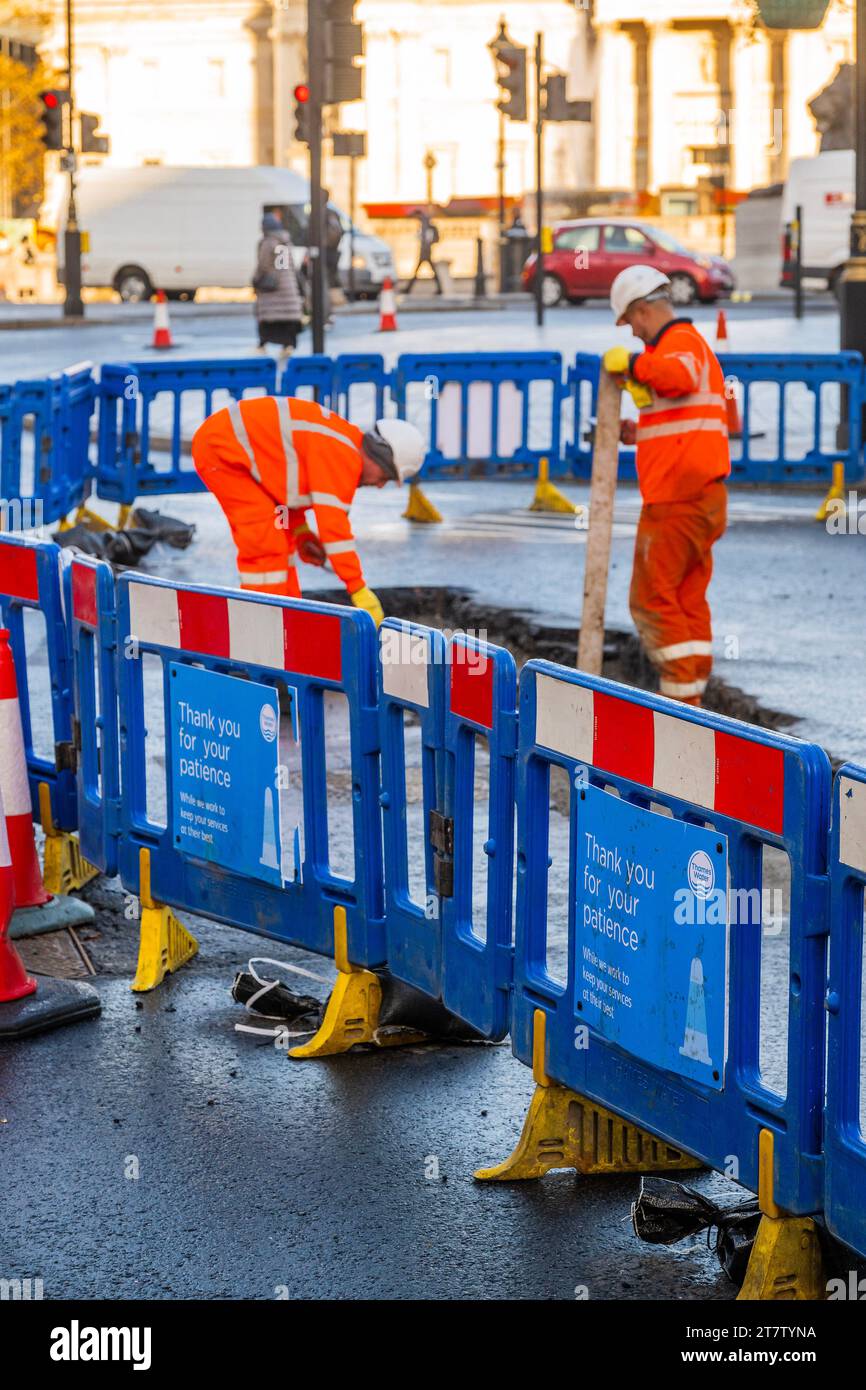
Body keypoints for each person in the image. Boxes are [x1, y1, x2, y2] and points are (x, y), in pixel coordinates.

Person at [602, 265, 730, 706]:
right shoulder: (695, 347)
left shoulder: (679, 343)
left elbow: (678, 377)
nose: (634, 335)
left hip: (677, 496)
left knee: (651, 600)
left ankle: (680, 705)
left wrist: (634, 364)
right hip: (703, 496)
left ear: (641, 311)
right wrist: (643, 430)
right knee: (686, 597)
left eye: (631, 324)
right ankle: (691, 695)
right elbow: (708, 416)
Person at [191, 398, 426, 627]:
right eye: (385, 477)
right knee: (266, 549)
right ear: (380, 457)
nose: (380, 485)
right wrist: (358, 589)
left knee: (282, 543)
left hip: (227, 447)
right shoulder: (344, 458)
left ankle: (287, 627)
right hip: (223, 452)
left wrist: (301, 532)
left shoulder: (341, 443)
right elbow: (334, 531)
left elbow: (281, 490)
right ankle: (259, 639)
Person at [253, 212, 304, 355]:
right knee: (287, 317)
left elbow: (263, 265)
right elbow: (290, 266)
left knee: (268, 317)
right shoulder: (285, 242)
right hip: (288, 287)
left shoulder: (268, 242)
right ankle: (288, 345)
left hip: (272, 288)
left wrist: (255, 279)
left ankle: (262, 345)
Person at [404, 209, 442, 295]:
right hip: (425, 250)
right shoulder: (424, 223)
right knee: (425, 271)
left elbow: (430, 237)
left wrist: (428, 244)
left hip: (425, 251)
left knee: (418, 271)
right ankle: (440, 289)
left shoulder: (425, 223)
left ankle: (408, 289)